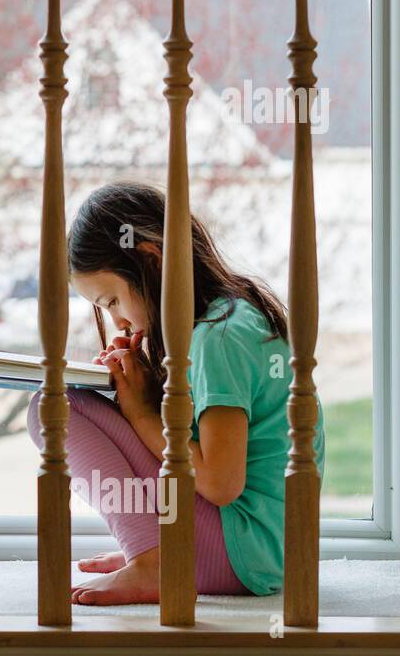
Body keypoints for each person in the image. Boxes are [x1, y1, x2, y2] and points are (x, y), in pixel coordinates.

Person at [27, 181, 325, 604]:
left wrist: (141, 415)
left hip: (241, 553)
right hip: (267, 552)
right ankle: (151, 550)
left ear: (152, 260)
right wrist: (143, 394)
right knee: (70, 402)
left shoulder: (218, 338)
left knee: (52, 407)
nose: (118, 324)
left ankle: (156, 561)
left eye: (112, 301)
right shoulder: (234, 317)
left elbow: (221, 484)